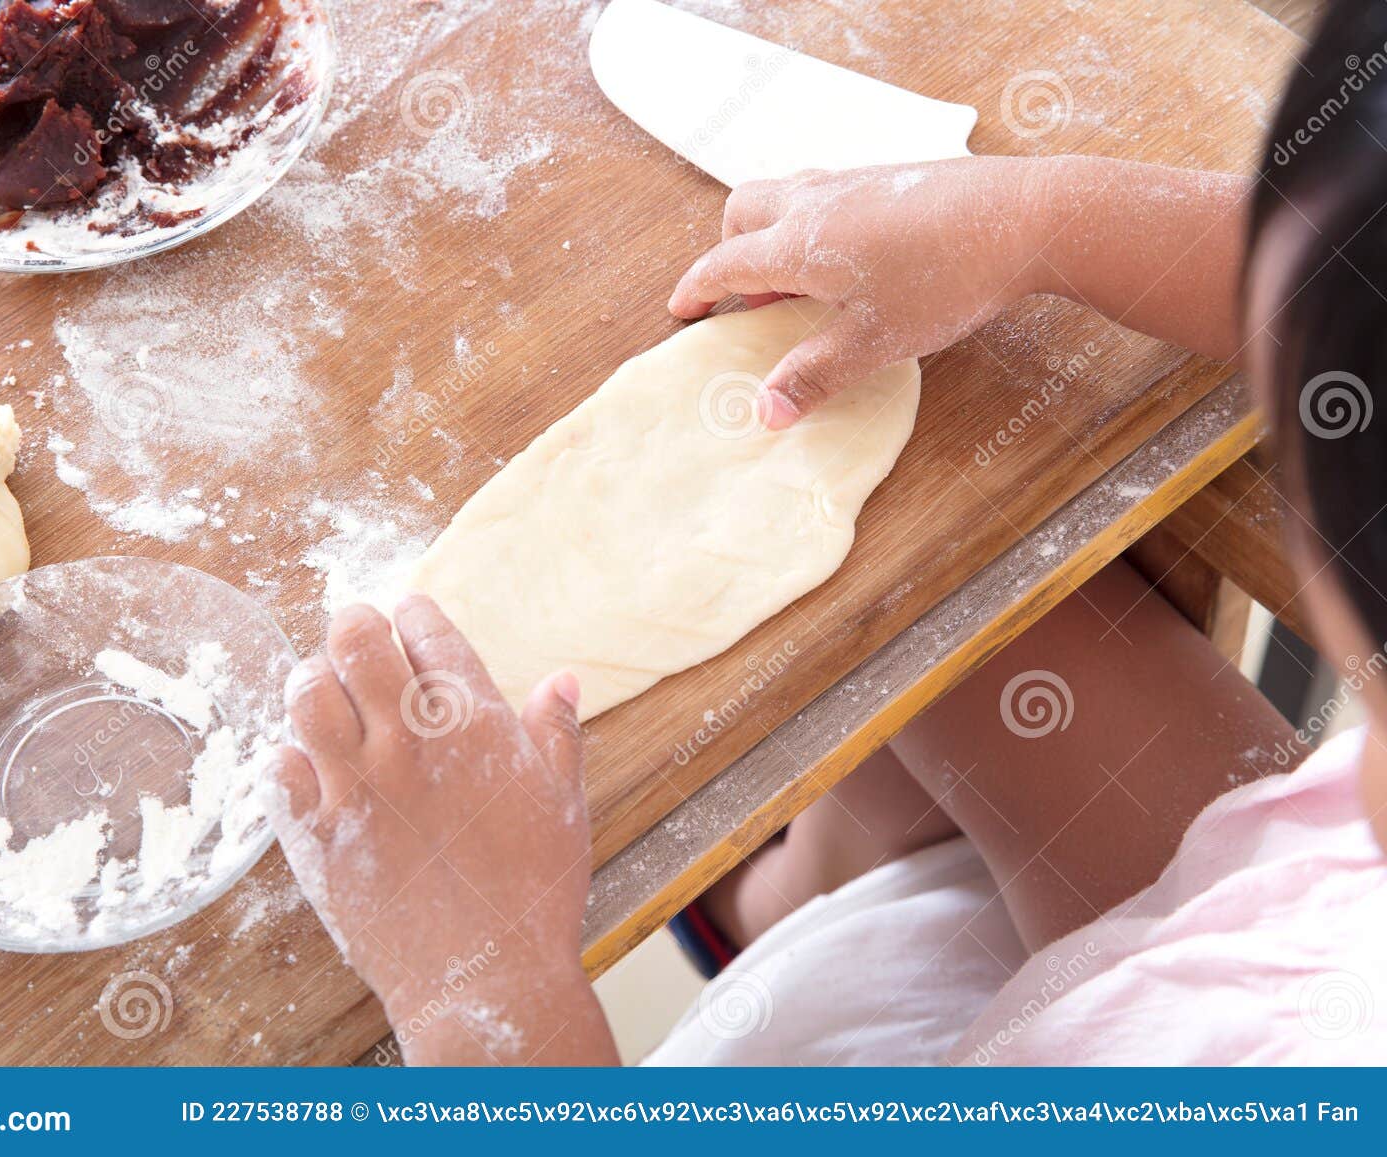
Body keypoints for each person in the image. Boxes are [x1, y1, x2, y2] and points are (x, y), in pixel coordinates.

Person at [262, 0, 1387, 1064]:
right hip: (1302, 910)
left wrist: (490, 995)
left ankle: (799, 935)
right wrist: (1040, 222)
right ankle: (783, 903)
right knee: (997, 625)